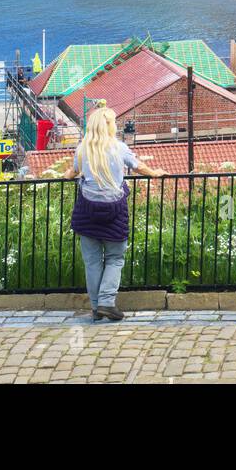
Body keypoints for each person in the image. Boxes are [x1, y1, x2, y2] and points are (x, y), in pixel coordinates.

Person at [63, 102, 165, 321]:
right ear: (109, 126)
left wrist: (66, 175)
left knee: (92, 262)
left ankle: (95, 307)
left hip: (87, 210)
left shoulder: (83, 148)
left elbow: (73, 171)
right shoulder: (119, 148)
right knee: (115, 258)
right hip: (114, 211)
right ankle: (107, 303)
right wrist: (154, 173)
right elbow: (138, 166)